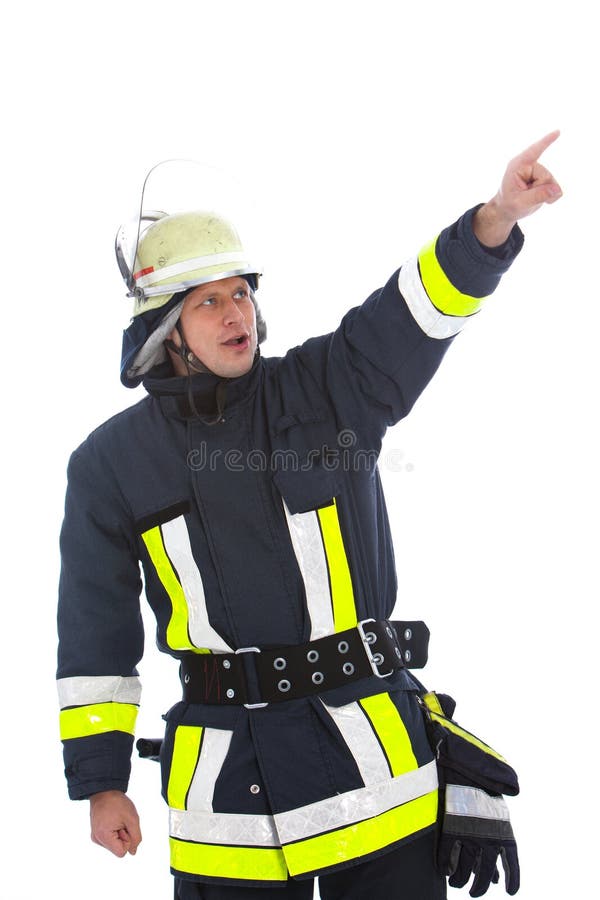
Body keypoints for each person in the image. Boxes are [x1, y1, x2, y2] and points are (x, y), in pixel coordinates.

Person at [57, 133, 562, 899]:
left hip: (376, 774)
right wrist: (102, 779)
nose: (237, 316)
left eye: (241, 293)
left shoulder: (328, 390)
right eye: (209, 302)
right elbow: (95, 630)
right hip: (230, 809)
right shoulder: (107, 466)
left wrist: (494, 220)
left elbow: (413, 314)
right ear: (168, 331)